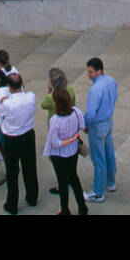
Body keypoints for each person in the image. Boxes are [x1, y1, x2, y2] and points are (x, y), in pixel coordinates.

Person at [0, 73, 39, 215]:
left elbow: (0, 110)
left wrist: (2, 96)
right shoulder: (31, 97)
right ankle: (32, 197)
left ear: (9, 87)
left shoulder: (8, 103)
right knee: (30, 168)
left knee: (12, 172)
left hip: (12, 139)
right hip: (28, 135)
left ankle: (12, 204)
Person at [43, 86, 88, 215]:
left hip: (59, 155)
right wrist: (74, 137)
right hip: (73, 152)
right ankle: (82, 207)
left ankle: (64, 209)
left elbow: (55, 142)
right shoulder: (76, 112)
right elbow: (82, 126)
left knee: (62, 182)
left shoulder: (55, 121)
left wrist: (70, 138)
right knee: (74, 177)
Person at [83, 57, 117, 203]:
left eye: (90, 72)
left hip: (98, 126)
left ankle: (98, 192)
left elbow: (90, 112)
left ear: (99, 71)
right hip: (108, 122)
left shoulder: (95, 89)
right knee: (109, 153)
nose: (88, 74)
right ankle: (111, 183)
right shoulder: (111, 81)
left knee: (98, 159)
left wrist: (86, 125)